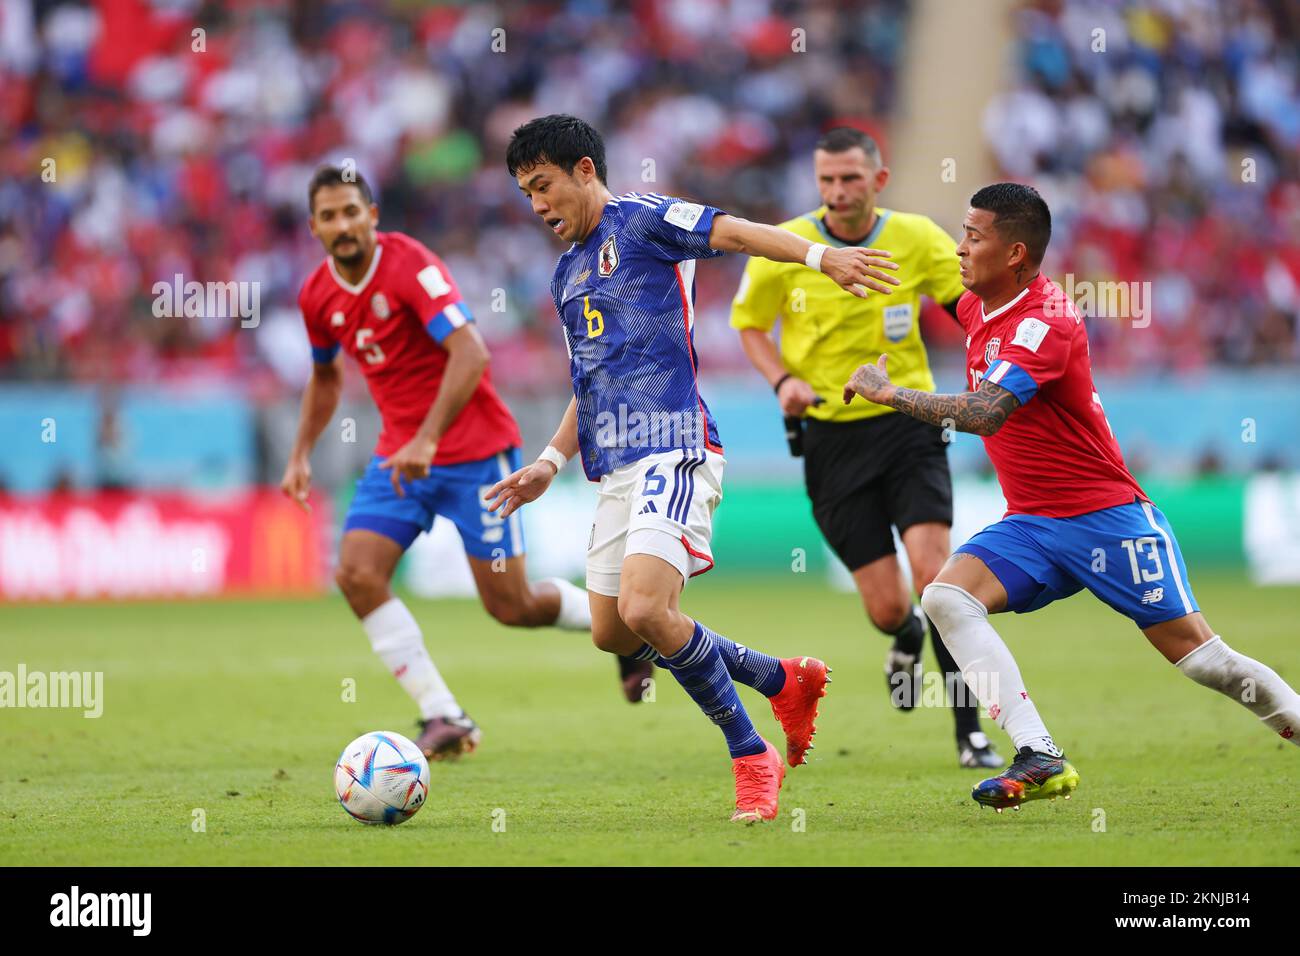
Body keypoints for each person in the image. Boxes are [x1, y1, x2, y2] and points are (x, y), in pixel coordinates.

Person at [487, 114, 900, 821]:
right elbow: (588, 381)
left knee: (650, 609)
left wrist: (818, 258)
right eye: (527, 194)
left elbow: (734, 231)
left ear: (585, 170)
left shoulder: (643, 219)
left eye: (544, 185)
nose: (538, 206)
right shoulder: (565, 275)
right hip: (612, 465)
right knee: (615, 632)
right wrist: (551, 461)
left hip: (673, 445)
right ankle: (781, 678)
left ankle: (750, 754)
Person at [842, 182, 1300, 811]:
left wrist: (889, 393)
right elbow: (928, 282)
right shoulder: (979, 307)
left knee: (1206, 663)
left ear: (1016, 254)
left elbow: (983, 413)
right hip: (1032, 522)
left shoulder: (1047, 321)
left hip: (1107, 519)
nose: (960, 248)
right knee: (946, 597)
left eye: (974, 237)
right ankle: (1039, 754)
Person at [281, 165, 592, 761]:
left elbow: (471, 353)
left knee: (512, 606)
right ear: (314, 227)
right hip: (401, 460)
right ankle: (443, 714)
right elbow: (324, 376)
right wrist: (299, 454)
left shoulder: (410, 266)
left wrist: (428, 438)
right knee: (356, 574)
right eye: (329, 216)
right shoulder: (316, 295)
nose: (342, 224)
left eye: (352, 211)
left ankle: (619, 628)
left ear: (371, 216)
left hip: (475, 454)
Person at [730, 125, 999, 768]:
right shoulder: (788, 245)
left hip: (909, 425)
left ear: (878, 180)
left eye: (850, 178)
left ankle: (972, 735)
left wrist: (995, 359)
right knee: (887, 607)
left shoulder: (916, 238)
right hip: (828, 437)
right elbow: (748, 325)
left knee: (937, 579)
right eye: (827, 179)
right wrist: (783, 379)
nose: (837, 190)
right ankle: (903, 635)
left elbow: (969, 306)